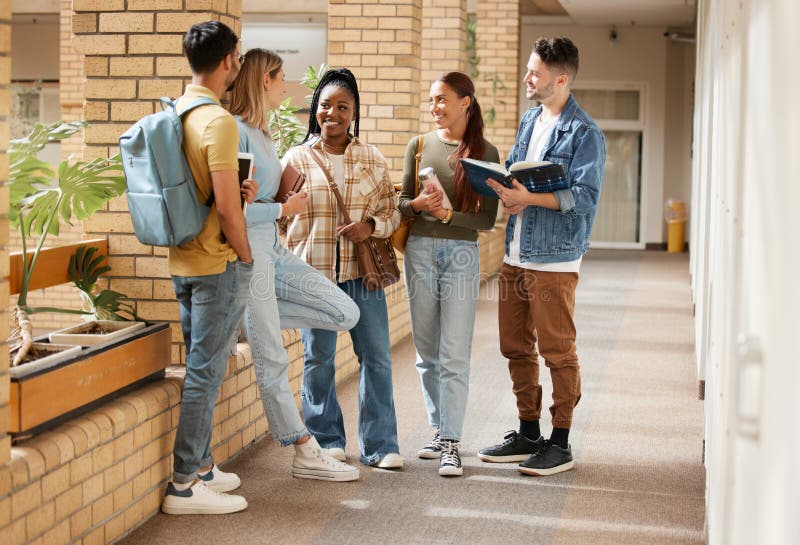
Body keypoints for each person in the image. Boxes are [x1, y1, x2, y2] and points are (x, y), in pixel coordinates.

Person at [228, 49, 362, 482]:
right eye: (281, 77)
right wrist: (284, 205)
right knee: (271, 359)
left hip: (274, 248)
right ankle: (303, 449)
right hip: (251, 251)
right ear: (263, 80)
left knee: (344, 312)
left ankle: (246, 318)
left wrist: (279, 202)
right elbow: (230, 213)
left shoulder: (262, 133)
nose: (288, 85)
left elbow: (260, 202)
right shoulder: (235, 132)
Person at [478, 36, 606, 476]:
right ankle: (529, 431)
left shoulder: (585, 133)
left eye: (535, 72)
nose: (527, 78)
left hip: (554, 259)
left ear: (561, 78)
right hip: (516, 252)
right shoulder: (531, 120)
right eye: (529, 69)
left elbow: (585, 197)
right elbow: (517, 171)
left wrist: (530, 199)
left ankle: (561, 442)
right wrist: (504, 190)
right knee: (514, 346)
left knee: (557, 351)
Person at [282, 68, 403, 469]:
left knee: (377, 357)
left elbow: (391, 213)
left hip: (362, 275)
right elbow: (278, 219)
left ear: (353, 113)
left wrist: (371, 227)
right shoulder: (295, 159)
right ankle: (325, 439)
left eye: (341, 106)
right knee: (319, 359)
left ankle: (381, 445)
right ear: (315, 108)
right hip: (313, 278)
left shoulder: (371, 158)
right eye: (325, 105)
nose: (331, 113)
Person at [161, 21, 258, 515]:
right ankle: (182, 486)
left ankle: (200, 466)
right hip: (216, 263)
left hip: (182, 259)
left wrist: (237, 194)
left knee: (201, 368)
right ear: (227, 62)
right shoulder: (218, 121)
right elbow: (224, 210)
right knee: (204, 373)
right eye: (237, 58)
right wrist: (246, 254)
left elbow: (200, 191)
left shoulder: (177, 112)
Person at [398, 72, 499, 477]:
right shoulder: (419, 146)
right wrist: (420, 205)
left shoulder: (485, 152)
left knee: (454, 352)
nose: (435, 107)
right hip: (419, 252)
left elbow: (486, 219)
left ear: (465, 103)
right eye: (431, 101)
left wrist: (446, 214)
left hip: (461, 254)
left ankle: (452, 443)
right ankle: (439, 430)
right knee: (427, 353)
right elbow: (402, 203)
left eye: (442, 99)